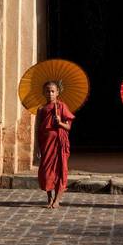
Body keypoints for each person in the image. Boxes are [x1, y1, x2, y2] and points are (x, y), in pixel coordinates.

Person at [33, 81, 74, 209]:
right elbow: (37, 129)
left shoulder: (61, 107)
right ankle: (49, 197)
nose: (50, 94)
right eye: (47, 91)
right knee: (46, 172)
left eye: (52, 91)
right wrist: (36, 147)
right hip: (46, 144)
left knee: (60, 170)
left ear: (57, 93)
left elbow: (68, 127)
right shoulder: (41, 109)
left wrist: (60, 122)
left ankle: (57, 200)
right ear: (43, 93)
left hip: (59, 144)